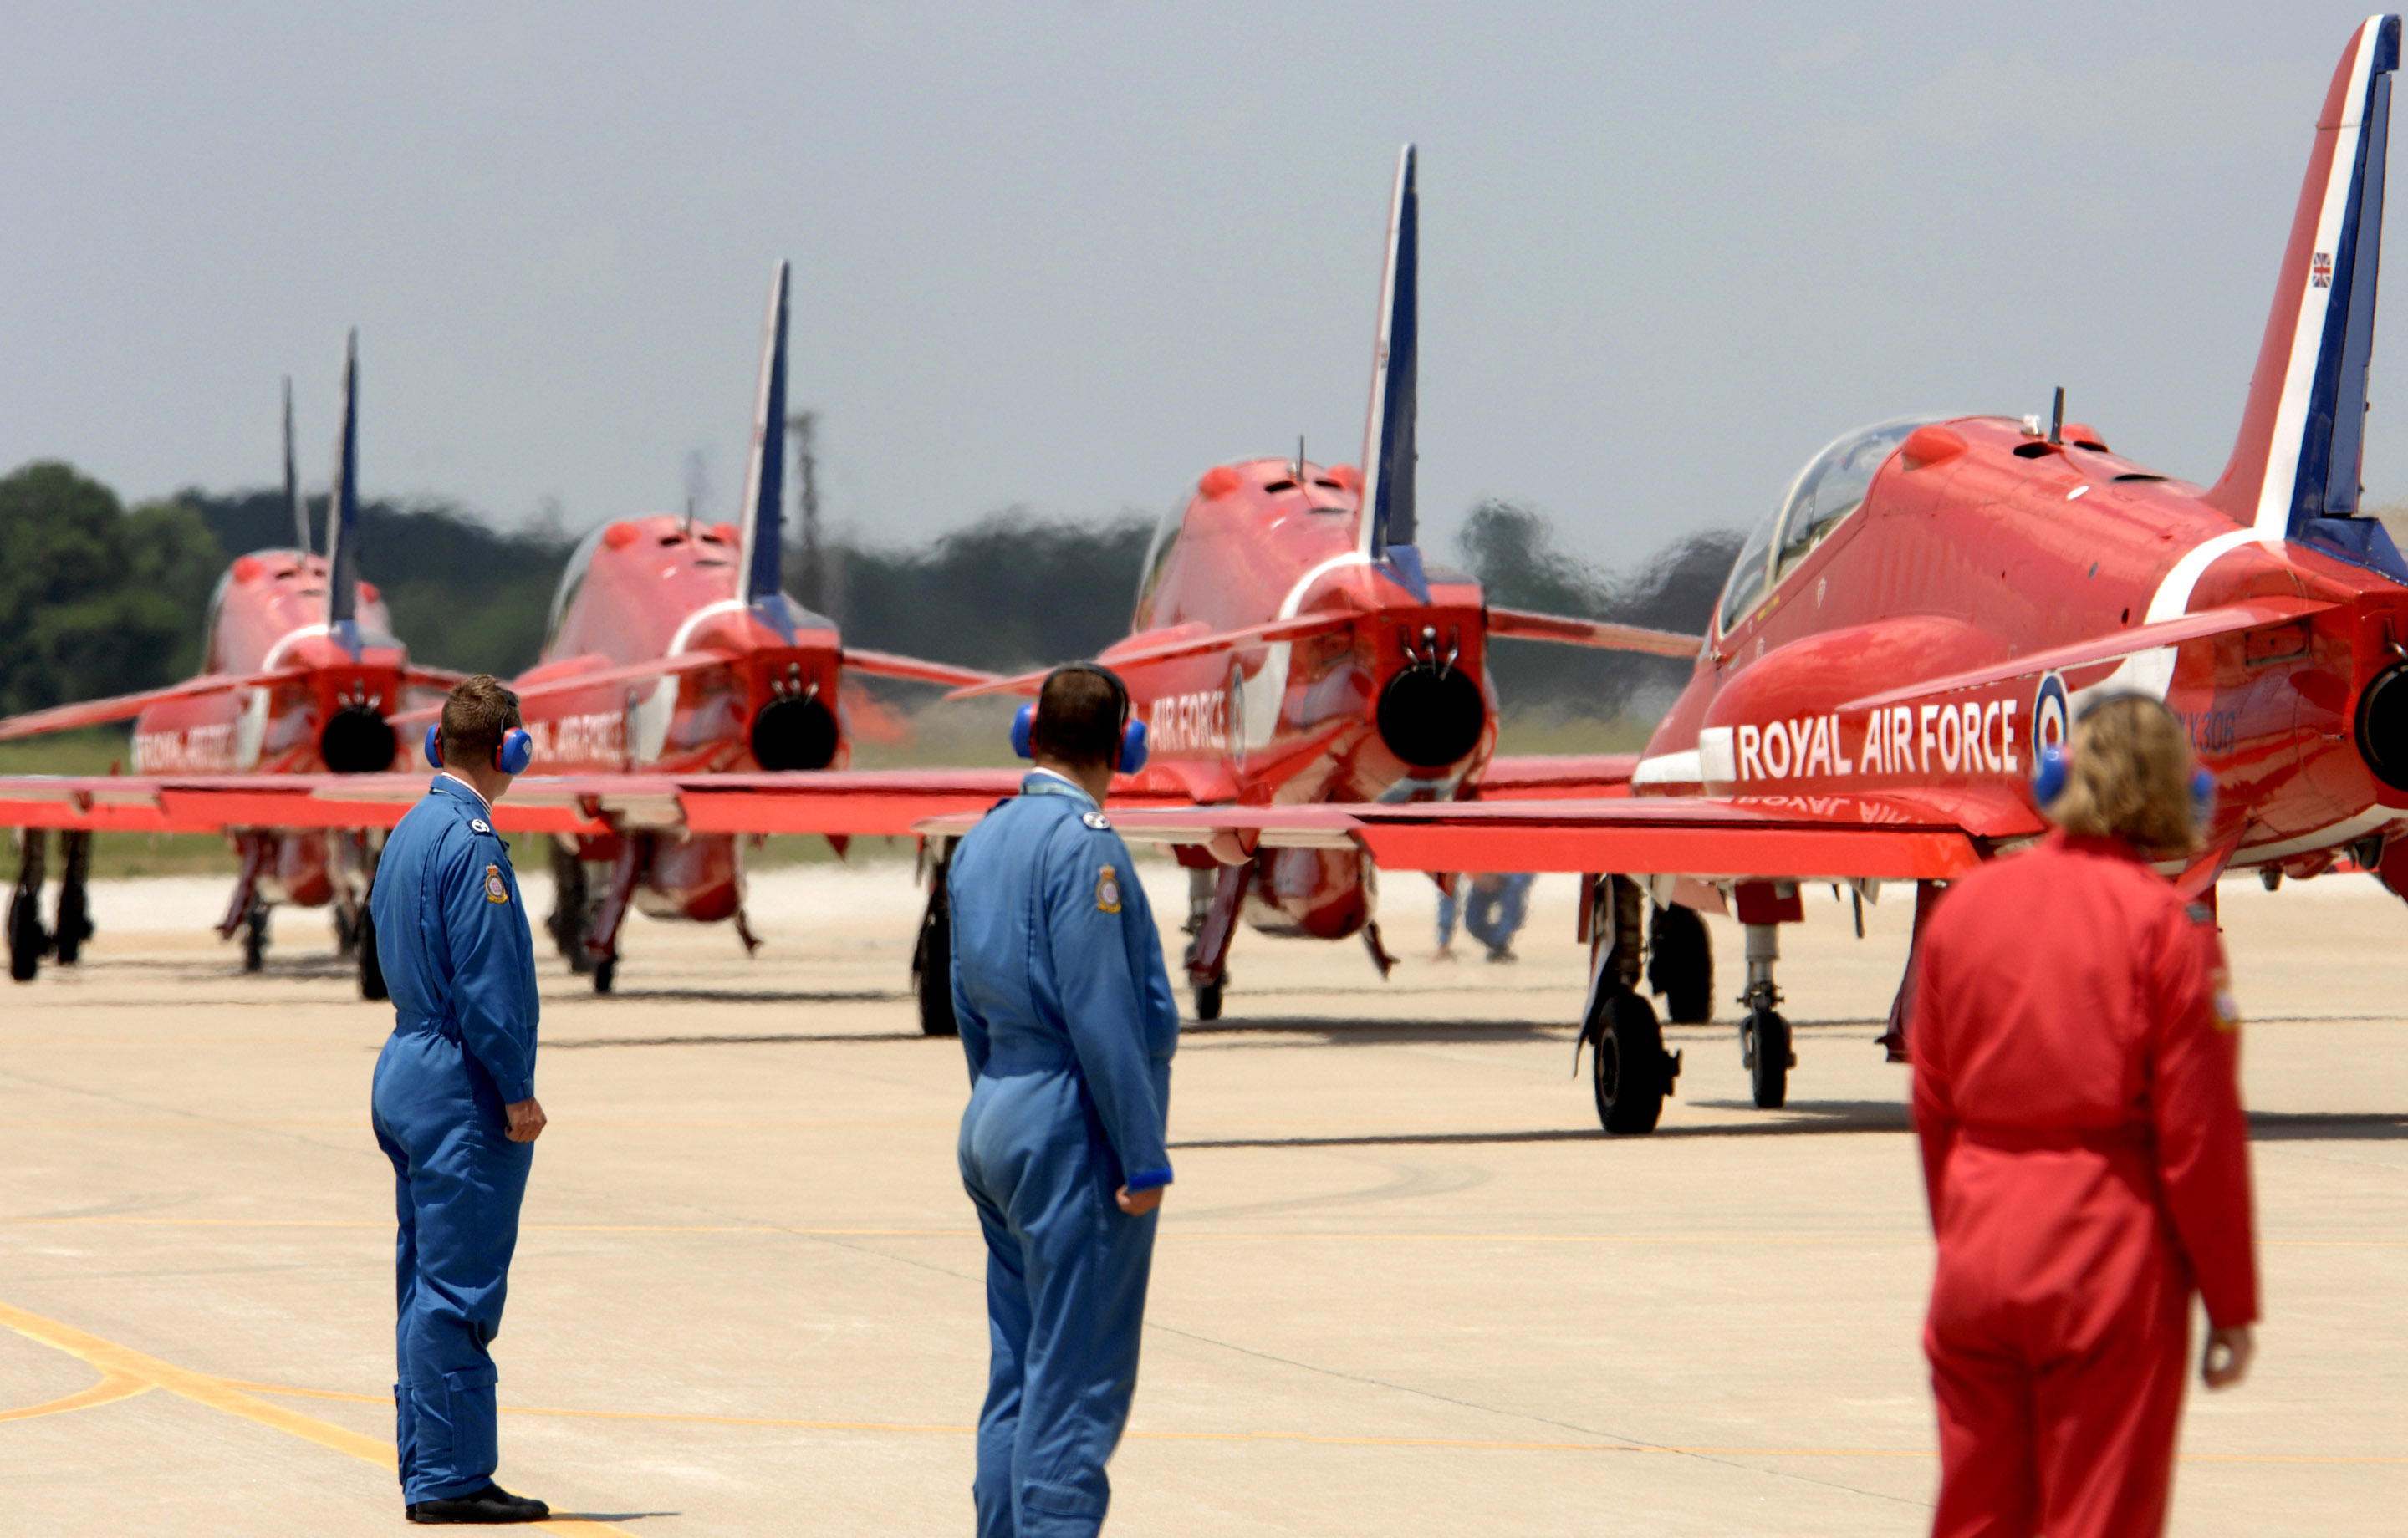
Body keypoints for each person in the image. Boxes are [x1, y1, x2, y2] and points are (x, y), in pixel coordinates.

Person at [1908, 694, 2258, 1538]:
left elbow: (1933, 1104)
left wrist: (1964, 1238)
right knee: (2097, 1517)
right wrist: (2232, 1299)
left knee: (1977, 1514)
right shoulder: (2169, 933)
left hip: (1979, 1253)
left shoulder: (1966, 910)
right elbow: (2198, 1137)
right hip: (2104, 1261)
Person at [947, 664, 1181, 1537]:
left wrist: (997, 1105)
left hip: (998, 1111)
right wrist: (1142, 1151)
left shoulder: (982, 838)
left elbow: (965, 995)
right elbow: (1103, 1009)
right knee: (1077, 1377)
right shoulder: (1086, 841)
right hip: (1069, 1125)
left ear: (1027, 731)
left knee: (1020, 1364)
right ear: (1125, 743)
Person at [369, 676, 550, 1525]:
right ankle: (451, 1477)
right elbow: (489, 986)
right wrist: (515, 1090)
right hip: (457, 1082)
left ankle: (427, 1459)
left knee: (420, 1278)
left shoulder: (408, 831)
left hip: (406, 1061)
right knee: (459, 1285)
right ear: (511, 748)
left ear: (439, 746)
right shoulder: (474, 843)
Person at [1432, 872, 1534, 963]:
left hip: (1509, 875)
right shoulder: (1450, 858)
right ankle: (1499, 945)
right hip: (1482, 879)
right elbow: (1447, 893)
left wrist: (1501, 875)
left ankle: (1500, 944)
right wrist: (1444, 942)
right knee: (1473, 923)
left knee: (1513, 898)